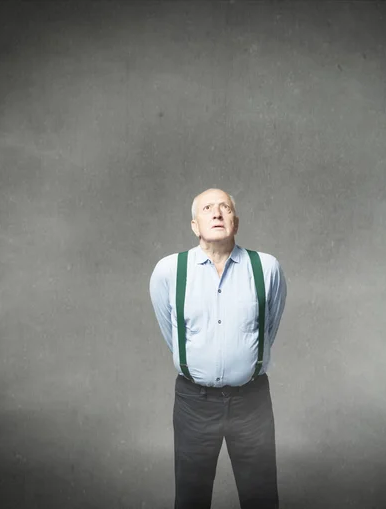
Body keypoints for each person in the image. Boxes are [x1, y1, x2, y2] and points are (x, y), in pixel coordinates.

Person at [149, 188, 287, 509]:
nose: (216, 213)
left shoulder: (266, 268)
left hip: (251, 402)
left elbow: (268, 329)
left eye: (224, 207)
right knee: (191, 498)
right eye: (207, 208)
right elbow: (173, 334)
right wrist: (199, 363)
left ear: (235, 223)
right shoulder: (170, 271)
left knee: (262, 497)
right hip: (194, 403)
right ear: (195, 225)